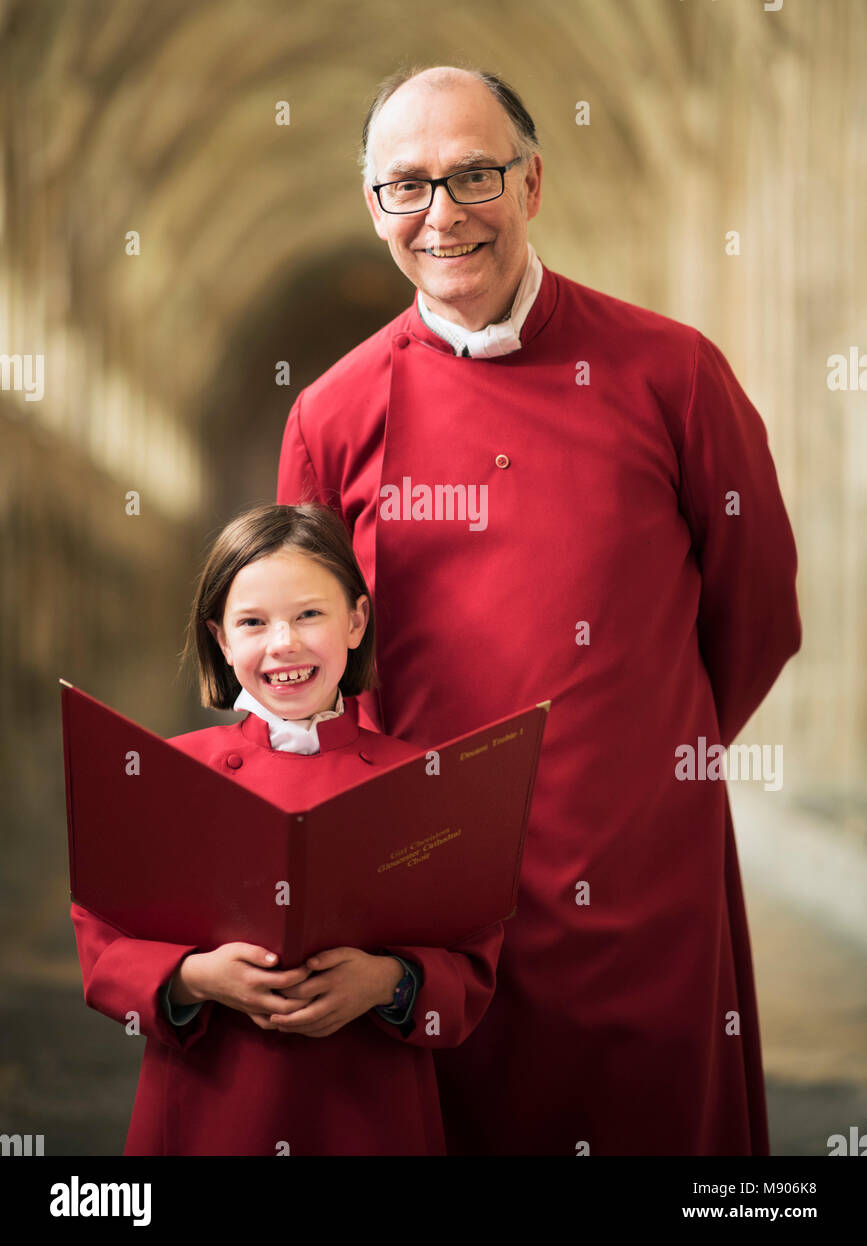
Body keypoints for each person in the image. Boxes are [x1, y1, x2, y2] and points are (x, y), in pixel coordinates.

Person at [275, 64, 802, 1156]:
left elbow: (755, 611)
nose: (442, 214)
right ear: (371, 206)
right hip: (423, 901)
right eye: (405, 187)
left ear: (533, 184)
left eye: (475, 175)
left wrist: (645, 768)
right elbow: (305, 665)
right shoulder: (331, 414)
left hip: (643, 892)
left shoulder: (674, 374)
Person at [70, 502, 503, 1155]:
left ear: (356, 620)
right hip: (211, 1106)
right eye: (252, 622)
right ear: (221, 639)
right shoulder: (170, 772)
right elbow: (102, 945)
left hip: (368, 1111)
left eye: (309, 614)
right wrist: (195, 977)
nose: (284, 645)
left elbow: (474, 960)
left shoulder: (424, 781)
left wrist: (387, 981)